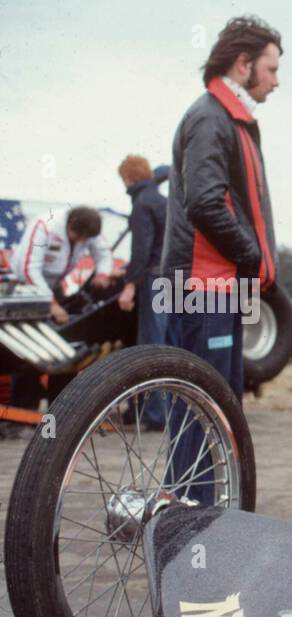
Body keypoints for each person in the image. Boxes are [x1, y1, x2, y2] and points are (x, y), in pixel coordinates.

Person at [161, 14, 282, 501]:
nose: (277, 79)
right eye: (271, 69)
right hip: (200, 285)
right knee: (200, 408)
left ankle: (211, 515)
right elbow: (206, 203)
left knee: (219, 407)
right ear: (243, 63)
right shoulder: (211, 117)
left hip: (224, 285)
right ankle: (191, 517)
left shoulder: (234, 120)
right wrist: (253, 256)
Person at [117, 155, 169, 428]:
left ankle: (152, 414)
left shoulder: (141, 204)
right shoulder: (163, 201)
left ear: (128, 178)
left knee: (150, 346)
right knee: (165, 344)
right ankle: (160, 411)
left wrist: (128, 286)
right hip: (172, 279)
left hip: (152, 278)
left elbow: (141, 251)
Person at [10, 206, 114, 322]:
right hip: (25, 287)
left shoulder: (89, 228)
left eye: (86, 239)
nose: (82, 242)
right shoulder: (45, 226)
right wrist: (51, 303)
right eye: (80, 237)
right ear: (70, 225)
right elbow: (29, 269)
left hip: (55, 286)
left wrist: (102, 274)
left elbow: (103, 253)